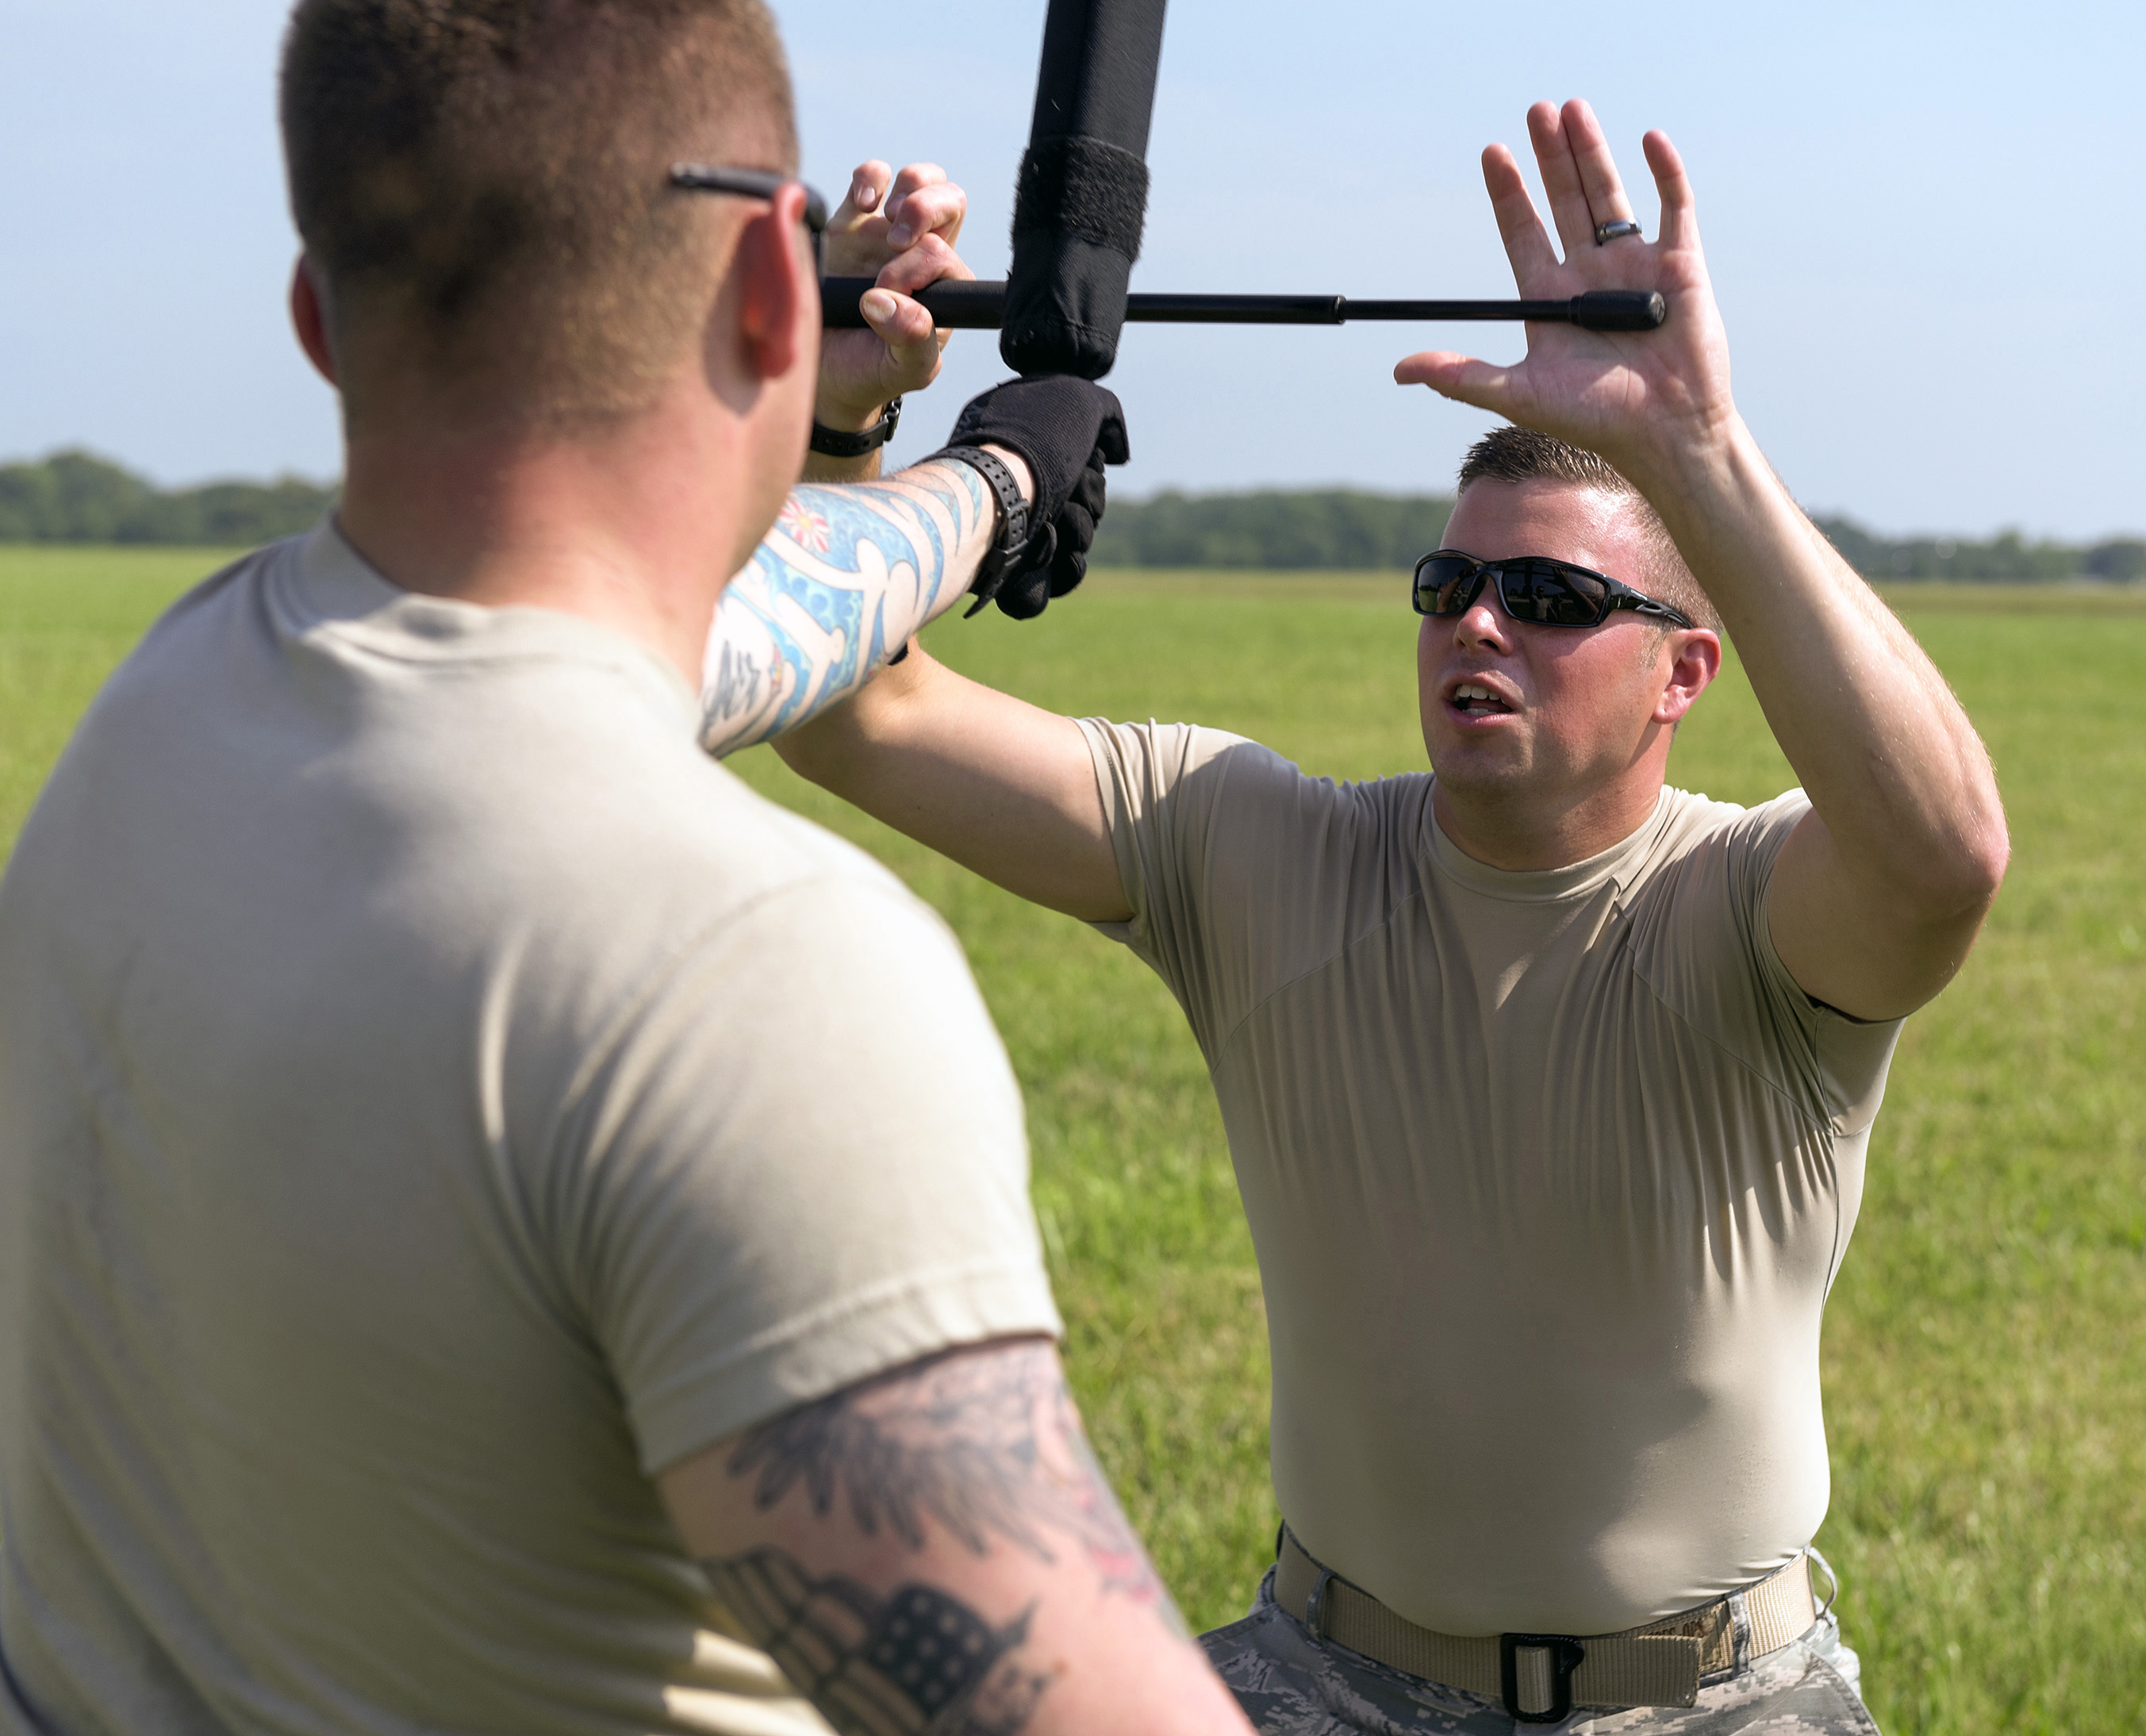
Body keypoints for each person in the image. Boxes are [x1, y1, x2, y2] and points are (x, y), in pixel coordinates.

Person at [0, 4, 1246, 1735]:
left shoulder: (181, 697)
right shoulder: (750, 969)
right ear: (770, 296)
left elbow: (703, 633)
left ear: (318, 320)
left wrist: (983, 478)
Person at [766, 98, 2011, 1734]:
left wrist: (1697, 447)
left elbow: (1943, 856)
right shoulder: (1252, 845)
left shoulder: (1748, 910)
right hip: (1322, 1677)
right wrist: (839, 422)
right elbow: (859, 712)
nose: (1481, 623)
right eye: (1451, 587)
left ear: (1683, 674)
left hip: (1718, 1703)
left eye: (1552, 599)